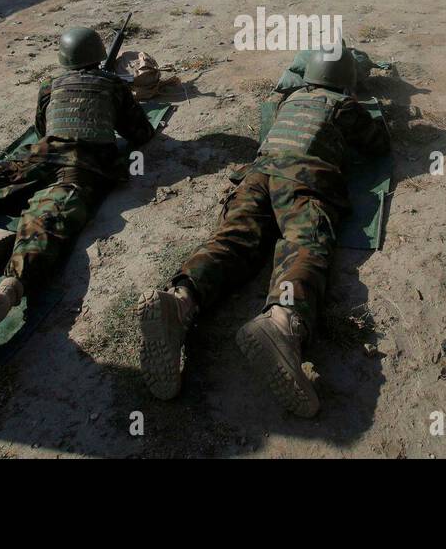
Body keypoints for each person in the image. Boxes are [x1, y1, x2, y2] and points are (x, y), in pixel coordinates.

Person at [137, 48, 389, 417]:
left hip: (256, 176)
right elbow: (378, 145)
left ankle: (180, 298)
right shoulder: (343, 106)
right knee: (304, 243)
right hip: (303, 180)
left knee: (233, 239)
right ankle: (283, 322)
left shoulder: (288, 100)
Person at [0, 26, 157, 376]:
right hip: (81, 169)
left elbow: (40, 129)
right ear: (98, 57)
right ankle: (9, 290)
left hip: (38, 160)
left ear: (63, 60)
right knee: (46, 223)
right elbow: (141, 135)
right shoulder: (114, 85)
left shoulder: (51, 85)